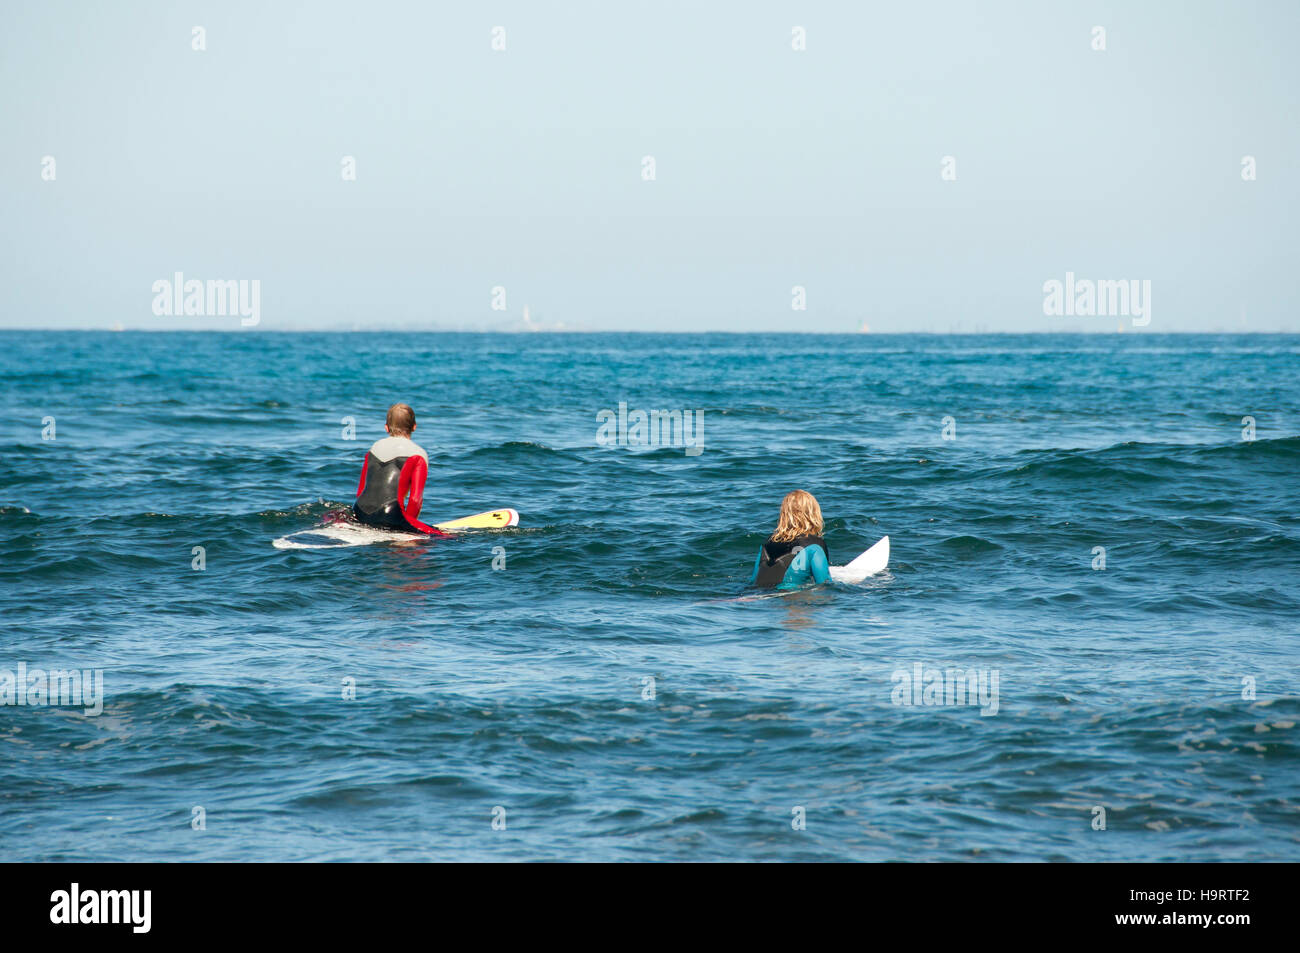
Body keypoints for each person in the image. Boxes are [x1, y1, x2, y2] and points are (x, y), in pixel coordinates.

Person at [352, 403, 448, 535]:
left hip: (358, 512)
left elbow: (360, 490)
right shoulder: (418, 454)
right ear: (414, 427)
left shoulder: (373, 448)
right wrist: (408, 529)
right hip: (389, 516)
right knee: (448, 538)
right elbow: (415, 500)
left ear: (386, 428)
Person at [749, 490, 831, 589]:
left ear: (784, 514)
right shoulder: (815, 544)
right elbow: (824, 583)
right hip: (790, 596)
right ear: (813, 514)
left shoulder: (768, 543)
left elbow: (753, 580)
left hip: (760, 595)